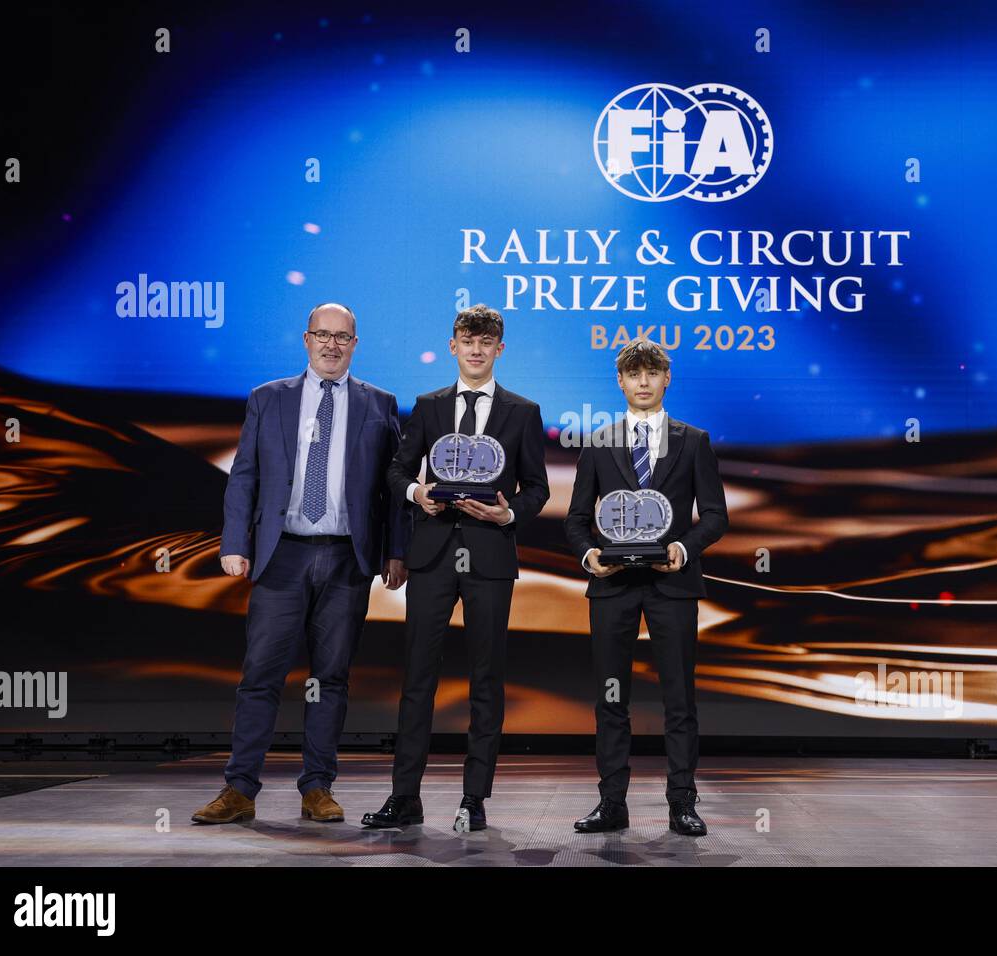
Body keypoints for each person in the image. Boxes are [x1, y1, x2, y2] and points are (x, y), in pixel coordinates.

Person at [193, 303, 408, 824]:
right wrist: (232, 542)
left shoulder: (380, 404)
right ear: (306, 340)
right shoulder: (269, 399)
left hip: (346, 559)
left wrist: (396, 551)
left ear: (355, 344)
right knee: (261, 675)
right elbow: (244, 475)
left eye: (343, 338)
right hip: (281, 554)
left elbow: (394, 490)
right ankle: (239, 789)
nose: (332, 345)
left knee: (330, 678)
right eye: (322, 335)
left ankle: (317, 787)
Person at [362, 304, 549, 832]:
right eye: (467, 339)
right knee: (418, 677)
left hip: (490, 554)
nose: (476, 348)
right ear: (453, 346)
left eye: (486, 341)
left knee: (486, 679)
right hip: (433, 555)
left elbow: (538, 488)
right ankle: (405, 797)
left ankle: (474, 799)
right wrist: (418, 492)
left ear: (499, 350)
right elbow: (397, 470)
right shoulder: (427, 406)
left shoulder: (523, 411)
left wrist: (508, 512)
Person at [563, 338, 728, 836]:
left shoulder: (693, 440)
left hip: (672, 586)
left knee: (679, 697)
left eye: (651, 374)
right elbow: (575, 520)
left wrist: (683, 549)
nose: (642, 382)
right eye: (633, 374)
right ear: (620, 381)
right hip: (613, 587)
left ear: (665, 379)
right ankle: (612, 803)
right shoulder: (599, 442)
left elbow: (716, 516)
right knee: (611, 697)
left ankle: (682, 802)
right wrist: (590, 555)